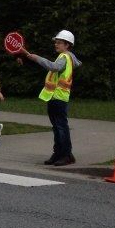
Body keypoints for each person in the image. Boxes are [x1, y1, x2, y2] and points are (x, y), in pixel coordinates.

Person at [17, 29, 82, 166]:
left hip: (59, 97)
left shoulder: (65, 57)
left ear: (67, 45)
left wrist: (37, 58)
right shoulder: (63, 57)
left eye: (59, 42)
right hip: (53, 97)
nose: (56, 44)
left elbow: (54, 67)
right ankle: (58, 153)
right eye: (56, 42)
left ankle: (66, 154)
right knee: (57, 127)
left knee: (60, 127)